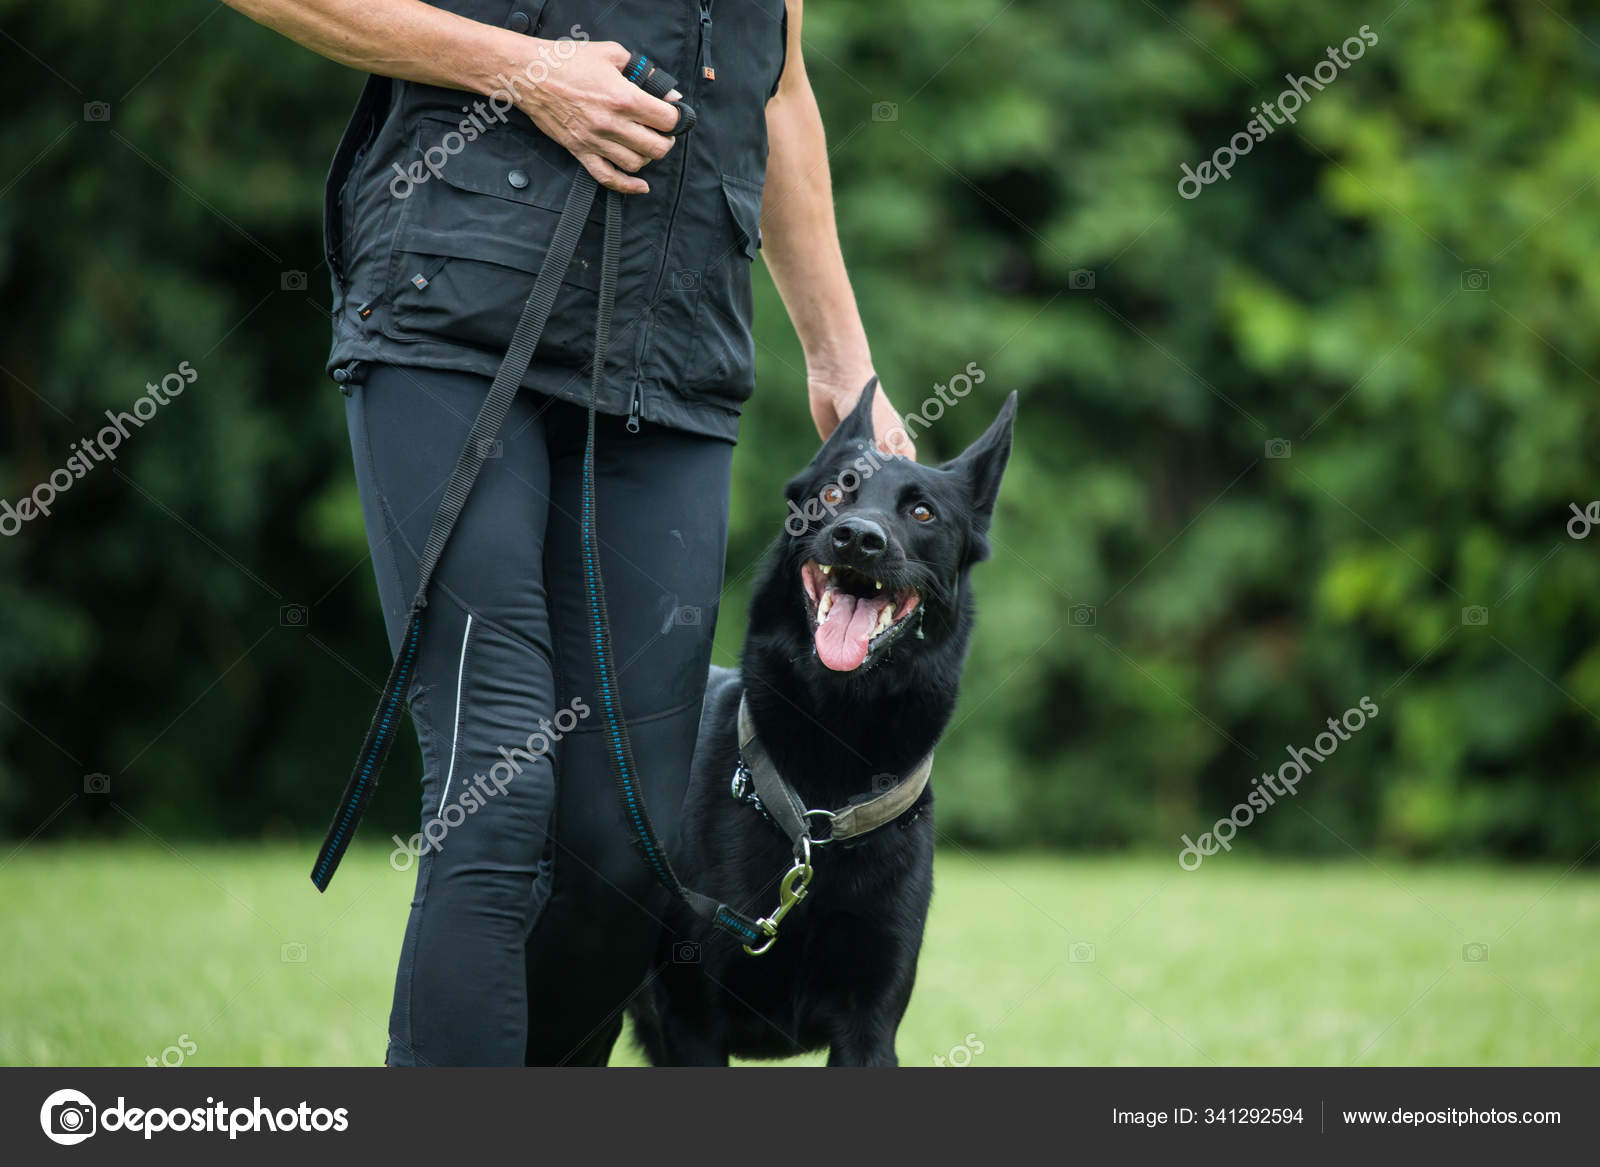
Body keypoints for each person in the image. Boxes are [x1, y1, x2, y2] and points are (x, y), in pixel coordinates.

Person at [222, 0, 914, 1065]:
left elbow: (776, 86)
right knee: (497, 799)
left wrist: (837, 358)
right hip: (451, 320)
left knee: (626, 847)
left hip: (676, 363)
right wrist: (525, 69)